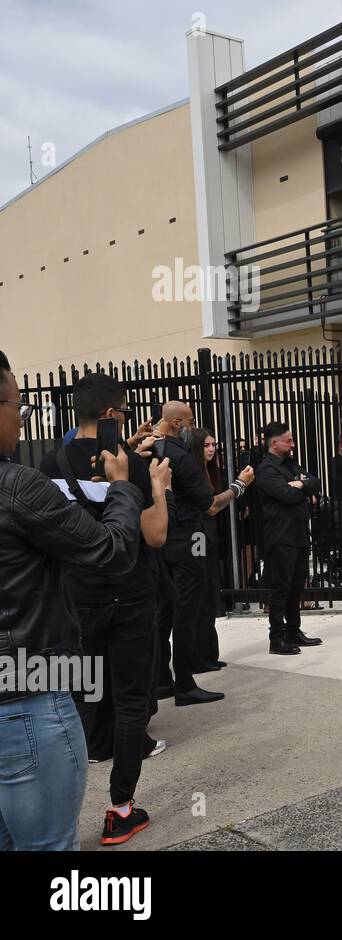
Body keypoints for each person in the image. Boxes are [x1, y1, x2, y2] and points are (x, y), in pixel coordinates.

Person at [0, 350, 144, 850]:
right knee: (47, 845)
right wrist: (124, 489)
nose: (21, 420)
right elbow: (118, 549)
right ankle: (122, 803)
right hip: (26, 696)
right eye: (18, 406)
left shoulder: (43, 470)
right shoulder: (19, 486)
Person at [37, 373, 171, 847]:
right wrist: (156, 486)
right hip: (131, 594)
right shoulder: (131, 464)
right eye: (126, 411)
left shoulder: (48, 463)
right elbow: (155, 535)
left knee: (77, 702)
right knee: (132, 703)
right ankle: (120, 809)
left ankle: (62, 813)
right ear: (113, 414)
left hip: (76, 599)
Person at [152, 401, 225, 707]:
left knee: (165, 611)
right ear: (179, 423)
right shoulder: (181, 457)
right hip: (188, 537)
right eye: (191, 421)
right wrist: (240, 486)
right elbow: (208, 503)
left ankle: (160, 680)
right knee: (187, 609)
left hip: (162, 537)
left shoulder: (152, 450)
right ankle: (184, 682)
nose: (194, 427)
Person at [255, 422, 324, 655]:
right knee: (280, 588)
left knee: (296, 587)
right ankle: (277, 639)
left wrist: (301, 484)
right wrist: (302, 488)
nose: (293, 444)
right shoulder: (266, 469)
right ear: (274, 443)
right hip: (280, 536)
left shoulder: (292, 464)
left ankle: (294, 631)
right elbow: (285, 495)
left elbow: (316, 482)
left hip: (299, 533)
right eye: (288, 440)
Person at [189, 429, 254, 671]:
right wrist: (239, 485)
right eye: (206, 445)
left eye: (213, 444)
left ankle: (208, 655)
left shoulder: (211, 472)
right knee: (199, 596)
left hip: (210, 537)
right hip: (197, 539)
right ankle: (199, 657)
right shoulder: (193, 473)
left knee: (208, 597)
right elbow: (211, 506)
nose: (211, 448)